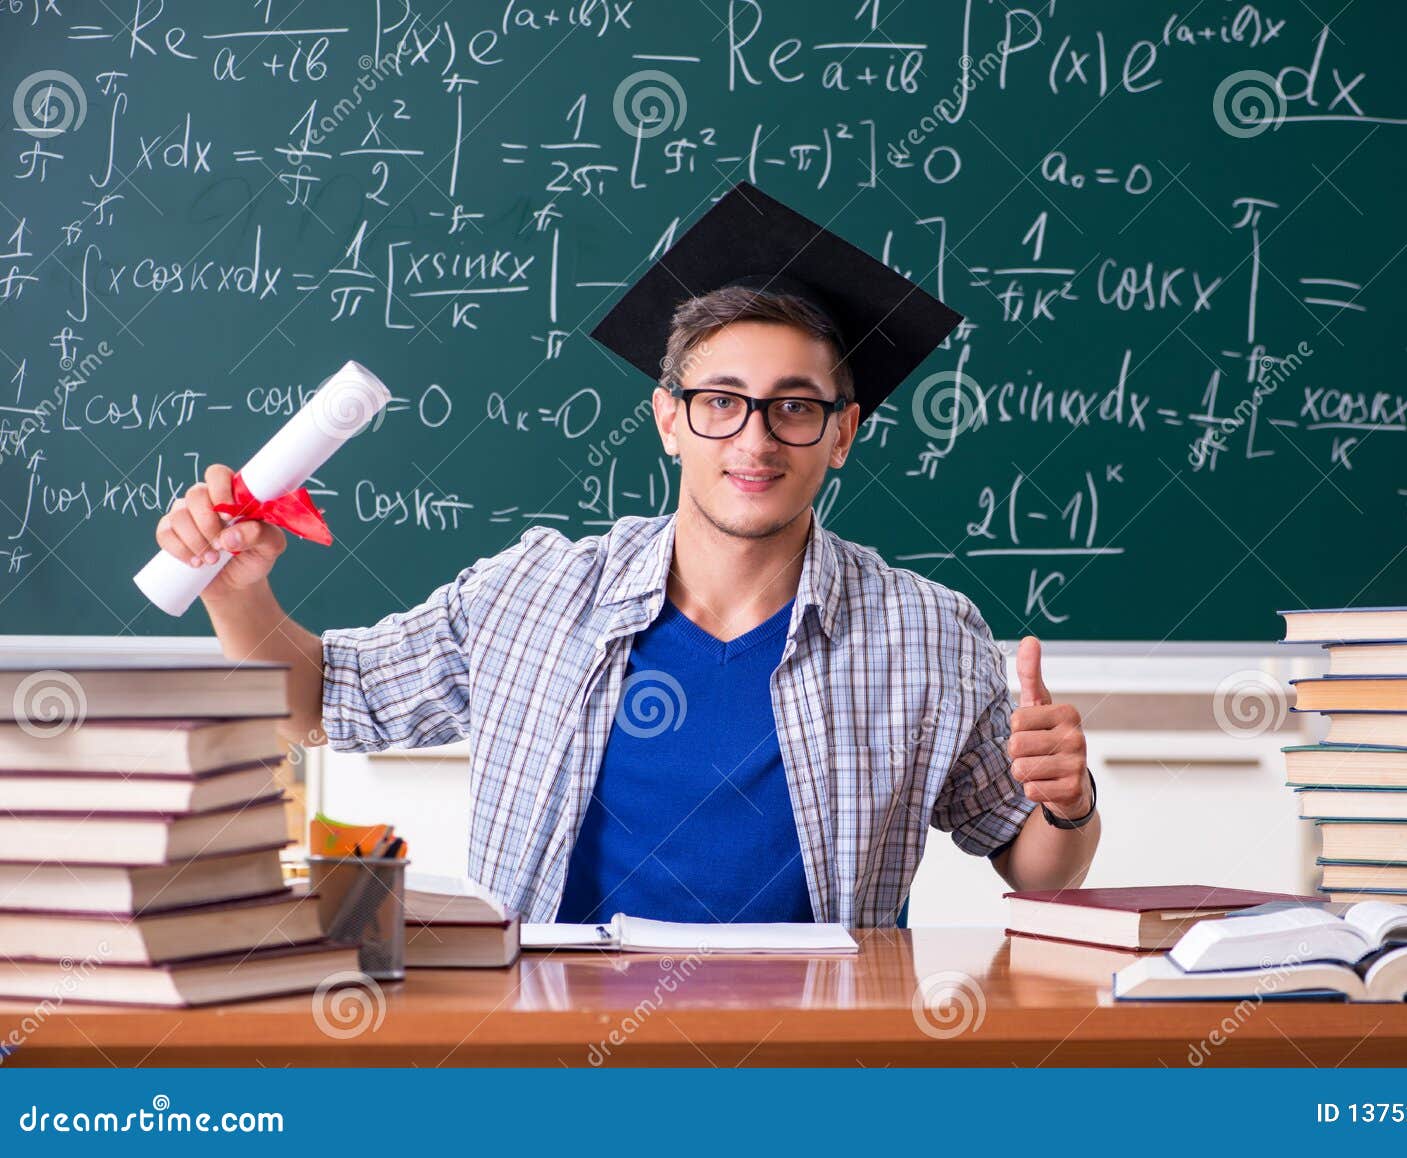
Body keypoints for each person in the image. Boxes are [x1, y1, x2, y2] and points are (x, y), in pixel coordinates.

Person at [152, 181, 1099, 927]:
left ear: (843, 432)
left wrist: (1067, 803)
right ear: (668, 420)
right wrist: (243, 593)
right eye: (719, 401)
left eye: (795, 406)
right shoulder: (532, 592)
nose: (754, 441)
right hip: (554, 1050)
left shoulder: (927, 634)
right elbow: (322, 698)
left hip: (822, 1048)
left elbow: (1033, 862)